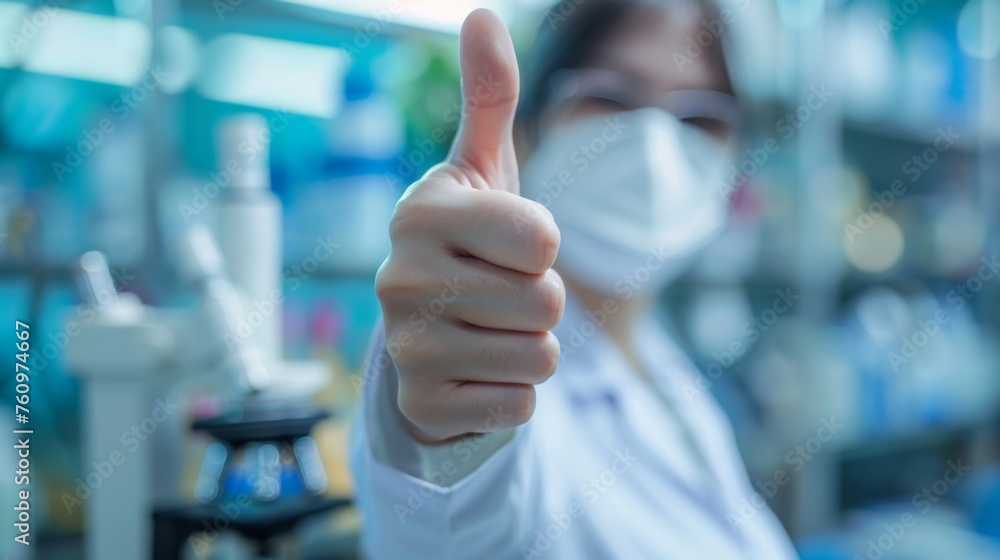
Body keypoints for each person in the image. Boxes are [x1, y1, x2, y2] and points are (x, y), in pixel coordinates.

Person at [349, 1, 799, 558]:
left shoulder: (667, 372)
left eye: (700, 117)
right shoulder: (507, 378)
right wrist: (443, 419)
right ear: (527, 132)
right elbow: (454, 517)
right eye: (609, 96)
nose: (655, 147)